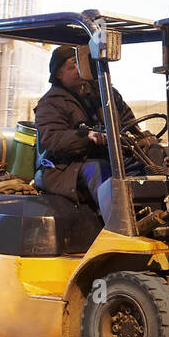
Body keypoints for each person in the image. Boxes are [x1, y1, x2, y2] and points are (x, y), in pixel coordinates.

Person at [33, 45, 136, 224]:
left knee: (146, 161)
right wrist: (85, 136)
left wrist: (142, 139)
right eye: (71, 66)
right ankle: (119, 226)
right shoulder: (50, 103)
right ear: (58, 74)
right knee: (99, 169)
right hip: (67, 166)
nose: (77, 70)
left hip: (109, 156)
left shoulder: (104, 93)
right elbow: (52, 140)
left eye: (79, 64)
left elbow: (128, 121)